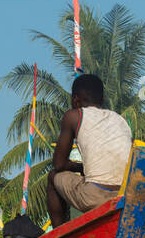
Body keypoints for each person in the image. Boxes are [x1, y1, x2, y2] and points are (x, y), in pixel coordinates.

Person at [46, 73, 133, 228]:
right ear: (103, 100)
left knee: (53, 176)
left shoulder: (74, 116)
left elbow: (59, 164)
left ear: (75, 100)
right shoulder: (120, 120)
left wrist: (79, 167)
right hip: (126, 194)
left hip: (94, 196)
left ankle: (58, 234)